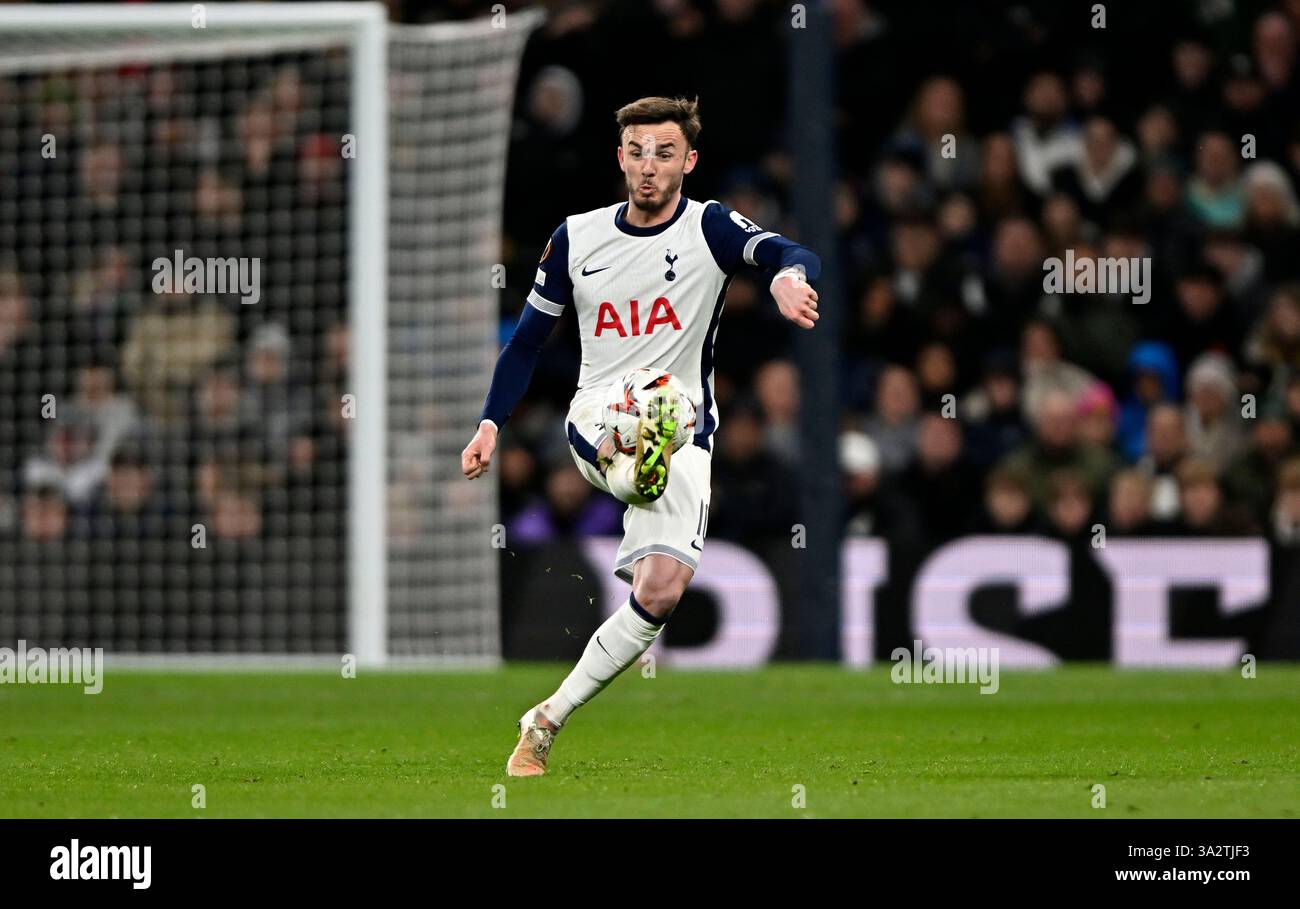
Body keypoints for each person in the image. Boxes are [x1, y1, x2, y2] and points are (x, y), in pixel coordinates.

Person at [460, 97, 821, 776]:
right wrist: (490, 422)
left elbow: (788, 248)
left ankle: (544, 719)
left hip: (686, 430)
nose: (648, 166)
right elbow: (527, 342)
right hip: (599, 412)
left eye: (663, 152)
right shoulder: (577, 237)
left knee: (660, 593)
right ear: (619, 156)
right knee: (649, 410)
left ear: (688, 161)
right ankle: (634, 464)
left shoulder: (709, 228)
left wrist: (786, 277)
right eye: (635, 150)